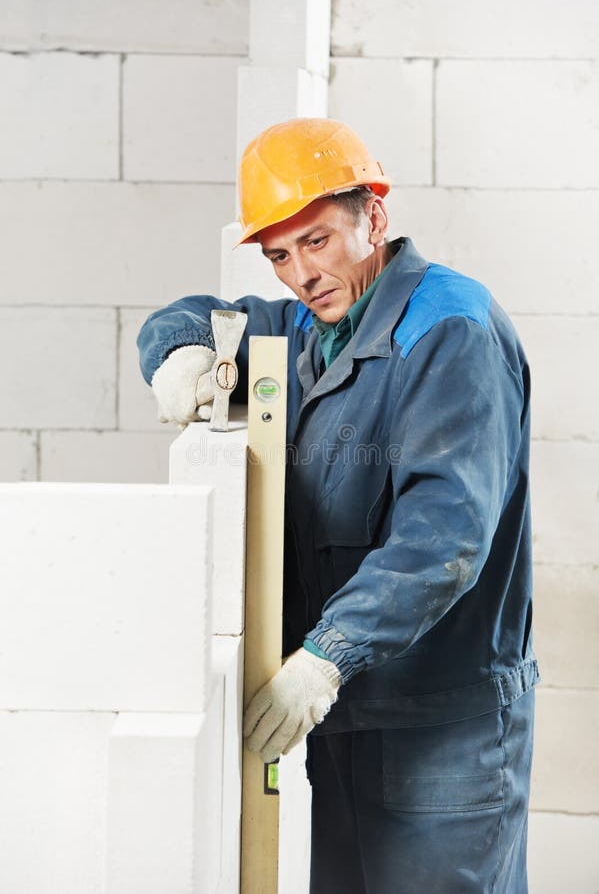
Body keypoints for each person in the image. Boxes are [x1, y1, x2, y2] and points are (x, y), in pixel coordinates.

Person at [137, 118, 538, 893]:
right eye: (279, 254)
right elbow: (190, 316)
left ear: (374, 219)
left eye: (317, 241)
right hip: (352, 723)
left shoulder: (448, 330)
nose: (299, 274)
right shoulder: (312, 327)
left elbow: (444, 534)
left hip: (438, 730)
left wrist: (325, 658)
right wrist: (178, 353)